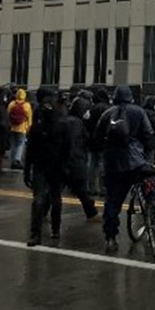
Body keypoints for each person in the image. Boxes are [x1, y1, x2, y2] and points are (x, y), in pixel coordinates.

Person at [98, 86, 155, 253]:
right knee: (151, 187)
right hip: (136, 163)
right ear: (131, 98)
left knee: (113, 202)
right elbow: (149, 136)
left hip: (113, 165)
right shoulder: (139, 112)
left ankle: (111, 238)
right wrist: (148, 157)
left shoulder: (107, 114)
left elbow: (96, 137)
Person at [24, 88, 64, 247]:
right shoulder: (59, 122)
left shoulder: (38, 126)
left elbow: (30, 149)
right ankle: (53, 230)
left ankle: (38, 233)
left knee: (41, 200)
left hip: (44, 164)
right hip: (52, 165)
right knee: (52, 199)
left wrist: (27, 170)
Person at [55, 93, 100, 223]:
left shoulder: (64, 120)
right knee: (81, 191)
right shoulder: (77, 123)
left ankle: (42, 212)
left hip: (63, 162)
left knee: (56, 190)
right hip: (74, 162)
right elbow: (81, 142)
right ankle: (92, 213)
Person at [85, 89, 112, 196]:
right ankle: (103, 188)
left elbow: (86, 123)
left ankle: (91, 187)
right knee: (102, 164)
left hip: (92, 140)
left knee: (92, 164)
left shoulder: (91, 108)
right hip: (103, 141)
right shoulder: (107, 109)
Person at [8, 88, 33, 170]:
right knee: (20, 144)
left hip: (12, 127)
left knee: (13, 144)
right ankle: (17, 160)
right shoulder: (27, 105)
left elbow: (8, 115)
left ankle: (12, 161)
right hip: (22, 128)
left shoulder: (12, 104)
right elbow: (29, 118)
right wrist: (29, 126)